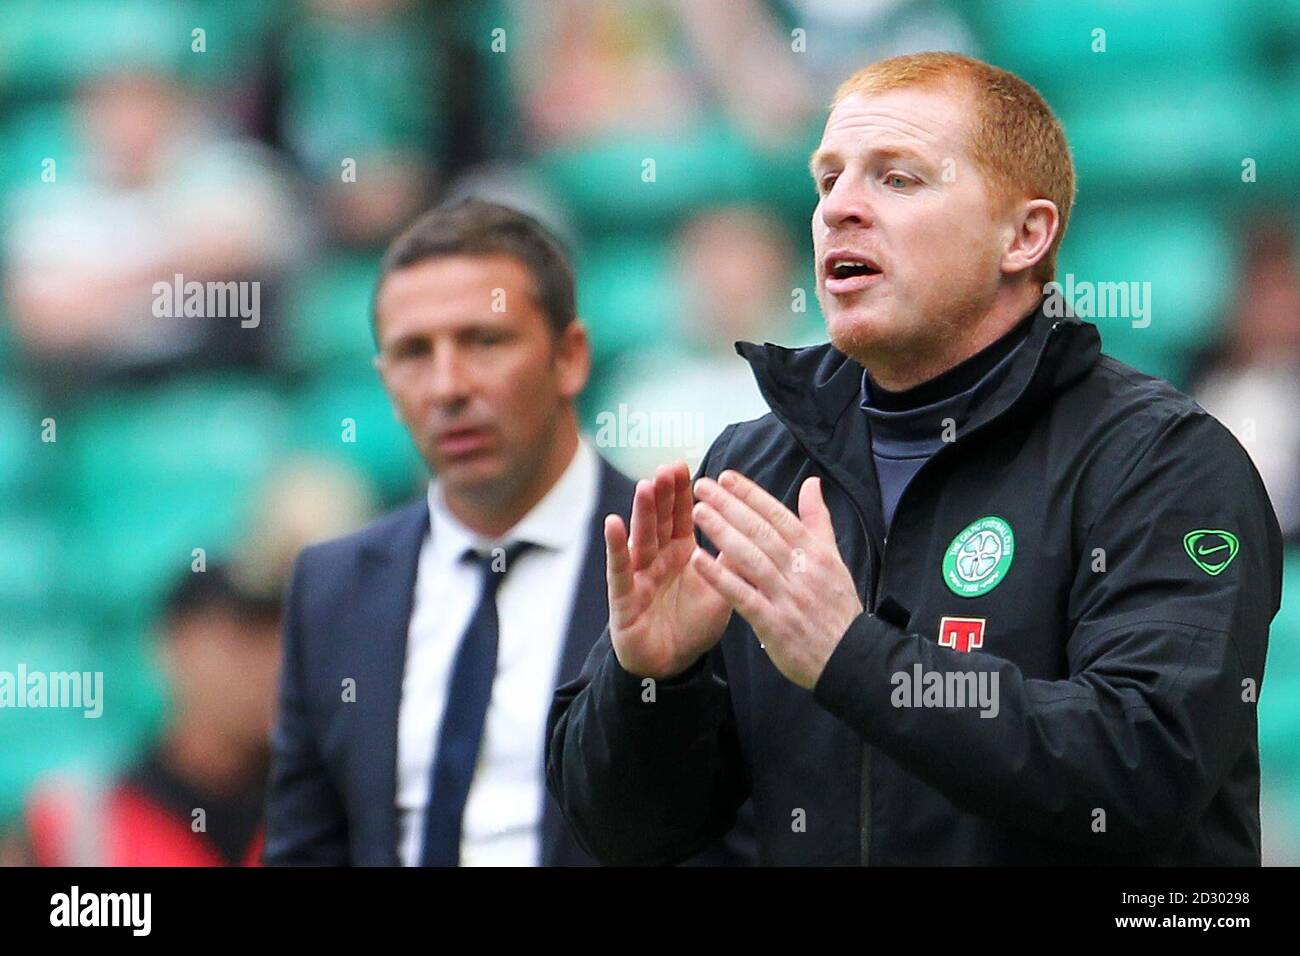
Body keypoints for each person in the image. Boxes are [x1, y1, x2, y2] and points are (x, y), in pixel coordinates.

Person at [546, 52, 1284, 865]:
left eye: (897, 179)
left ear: (1025, 235)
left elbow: (1144, 765)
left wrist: (856, 658)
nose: (838, 212)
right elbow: (627, 834)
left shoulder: (1162, 461)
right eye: (827, 181)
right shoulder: (754, 467)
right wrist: (652, 682)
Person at [264, 200, 752, 866]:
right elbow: (306, 851)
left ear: (570, 357)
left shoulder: (694, 569)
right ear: (384, 381)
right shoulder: (331, 588)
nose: (448, 386)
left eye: (483, 341)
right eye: (413, 352)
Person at [13, 565, 279, 867]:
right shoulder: (79, 821)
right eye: (248, 635)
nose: (272, 663)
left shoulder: (325, 813)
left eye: (287, 638)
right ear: (173, 644)